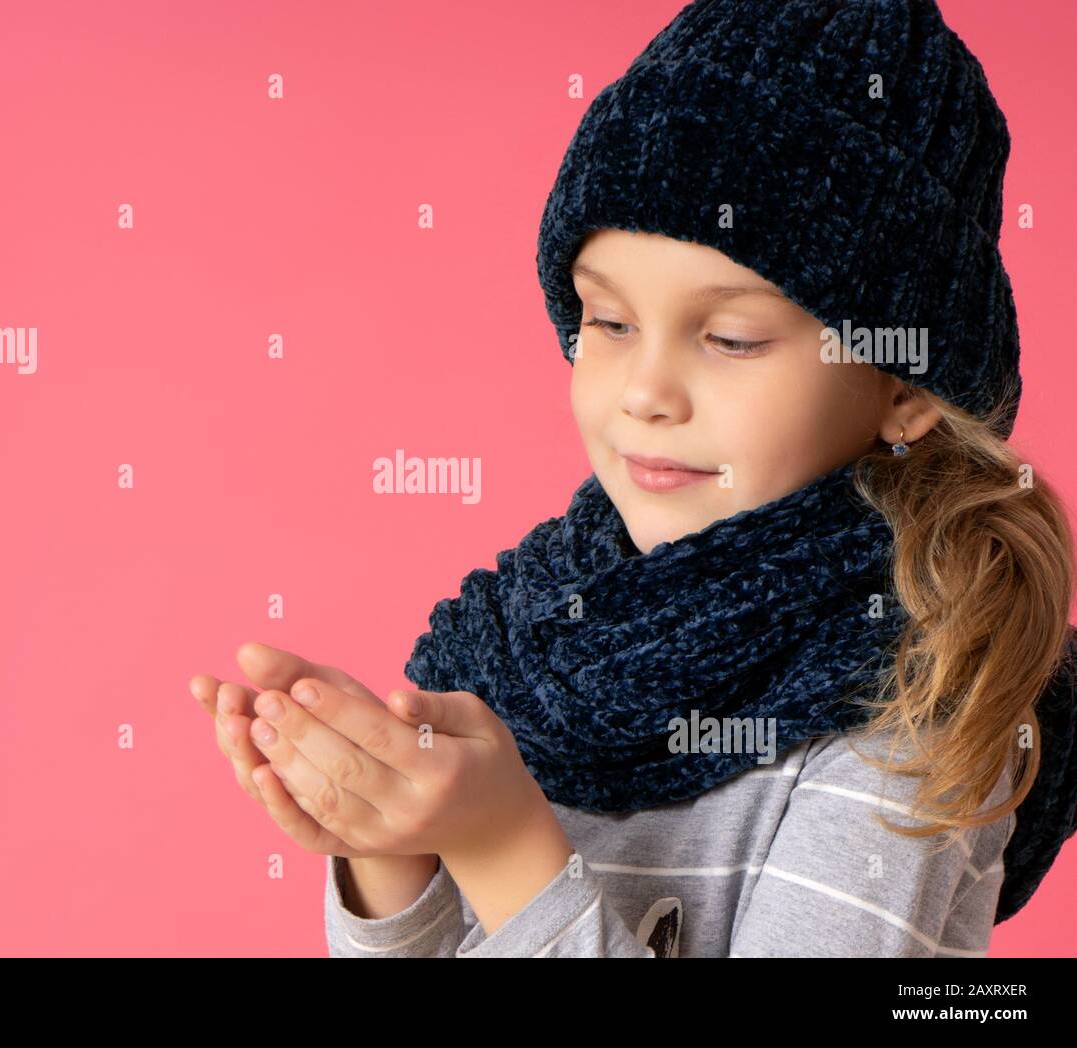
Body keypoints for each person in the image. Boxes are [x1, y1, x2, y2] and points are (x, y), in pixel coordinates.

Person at [191, 0, 1077, 956]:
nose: (646, 392)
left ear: (904, 386)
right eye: (609, 322)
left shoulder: (916, 706)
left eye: (732, 338)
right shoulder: (531, 644)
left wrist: (500, 843)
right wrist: (394, 853)